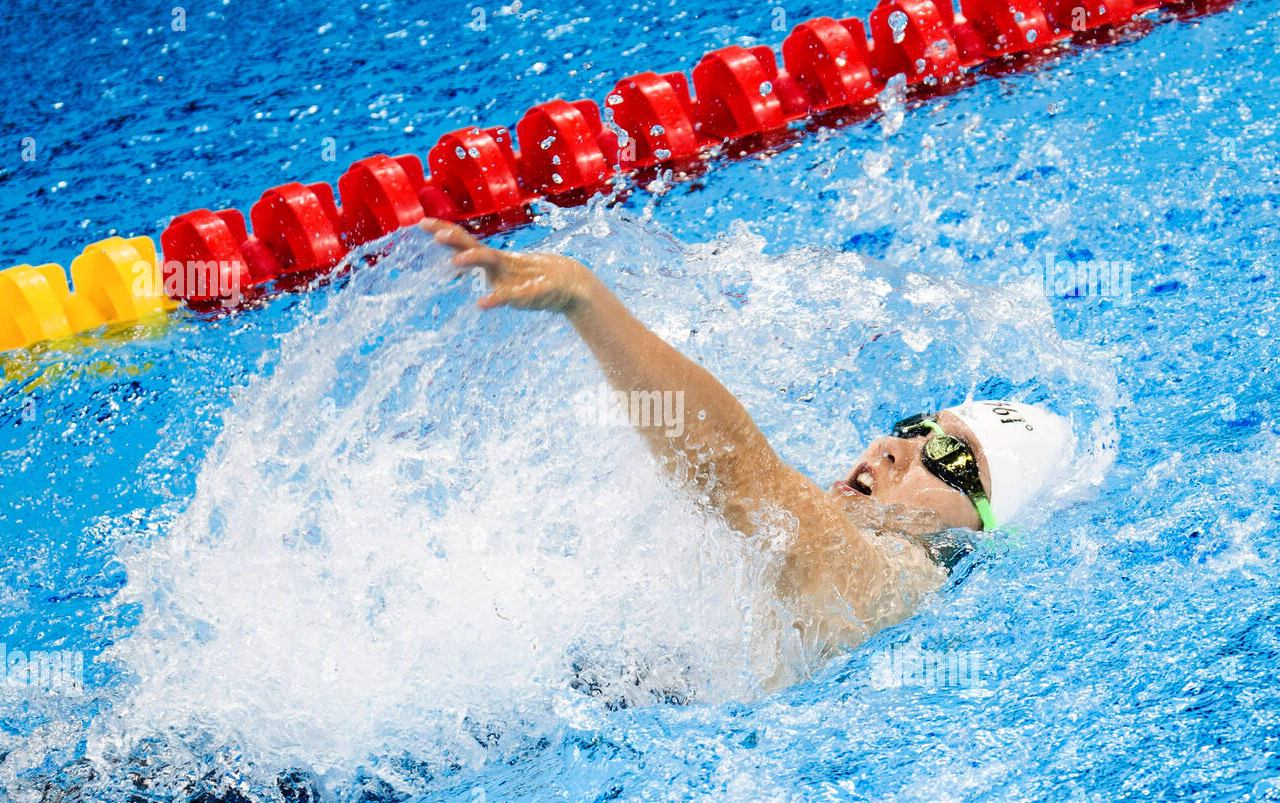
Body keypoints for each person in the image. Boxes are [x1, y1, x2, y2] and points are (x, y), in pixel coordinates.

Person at [422, 218, 1073, 661]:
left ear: (985, 526)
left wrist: (585, 299)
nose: (892, 447)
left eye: (952, 457)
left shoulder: (908, 578)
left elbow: (742, 478)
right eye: (912, 427)